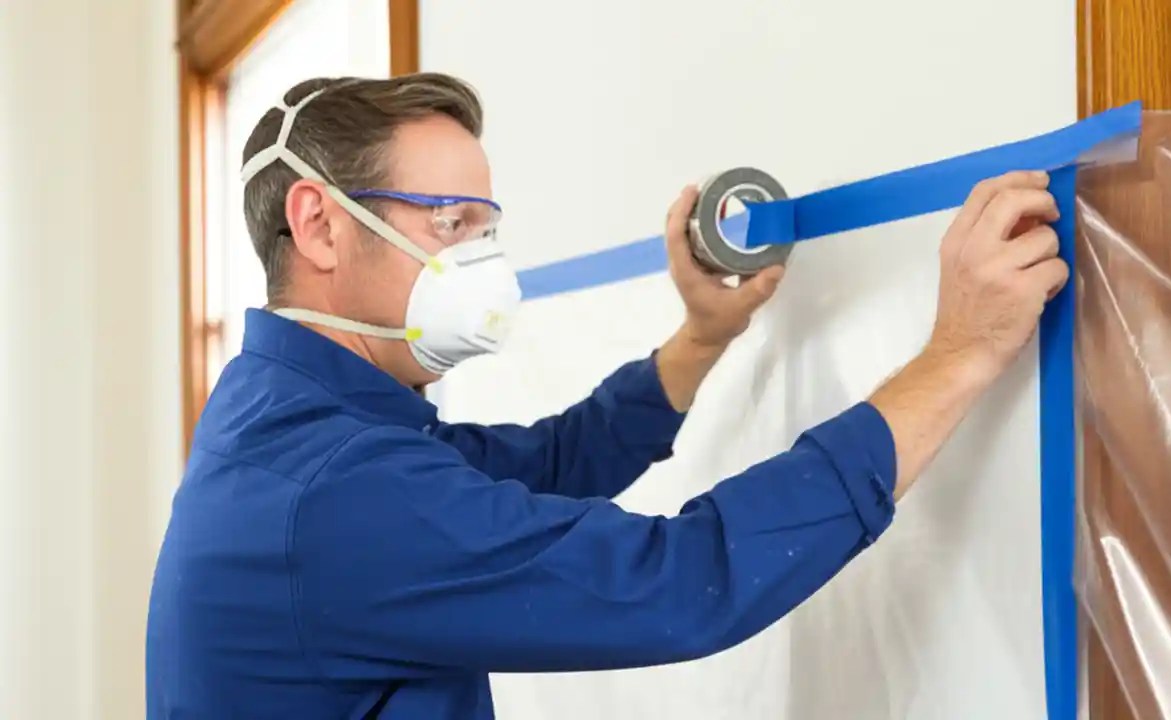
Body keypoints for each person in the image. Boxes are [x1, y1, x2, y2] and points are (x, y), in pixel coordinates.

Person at [146, 72, 1067, 719]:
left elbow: (545, 468)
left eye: (487, 227)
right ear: (320, 226)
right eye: (450, 221)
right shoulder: (335, 488)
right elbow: (680, 581)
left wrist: (703, 337)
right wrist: (957, 354)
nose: (480, 260)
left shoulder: (290, 419)